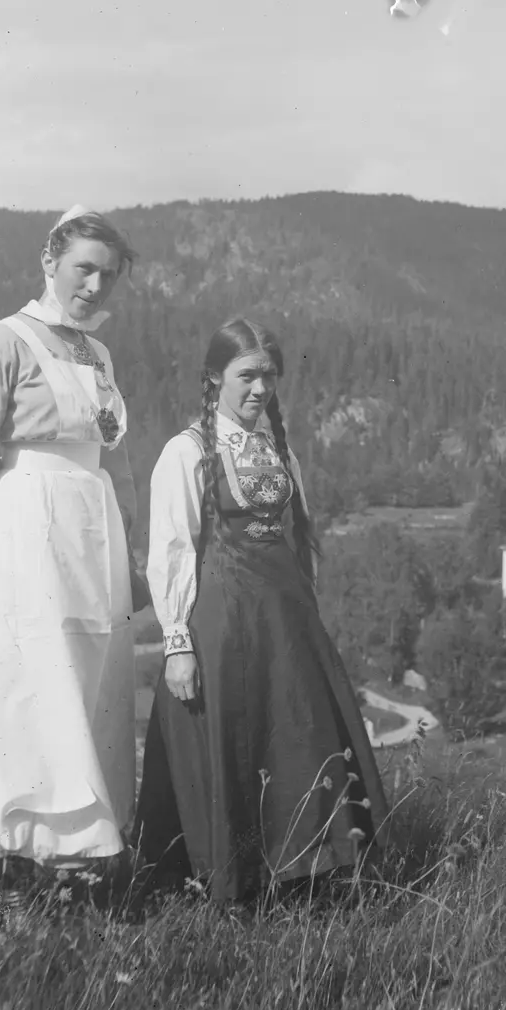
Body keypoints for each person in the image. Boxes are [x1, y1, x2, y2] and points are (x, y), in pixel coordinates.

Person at [134, 318, 389, 906]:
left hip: (287, 626)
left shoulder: (278, 451)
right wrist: (177, 643)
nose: (259, 388)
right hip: (226, 628)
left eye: (268, 375)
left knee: (298, 738)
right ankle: (229, 882)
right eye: (246, 375)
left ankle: (305, 873)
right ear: (213, 378)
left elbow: (301, 542)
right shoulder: (189, 452)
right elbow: (171, 547)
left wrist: (307, 613)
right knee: (238, 746)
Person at [0, 205, 143, 897]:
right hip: (24, 525)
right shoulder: (5, 341)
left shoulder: (99, 354)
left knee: (89, 681)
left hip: (91, 532)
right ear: (49, 261)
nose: (94, 285)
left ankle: (79, 861)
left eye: (108, 276)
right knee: (26, 681)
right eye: (84, 267)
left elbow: (111, 453)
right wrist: (18, 487)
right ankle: (8, 865)